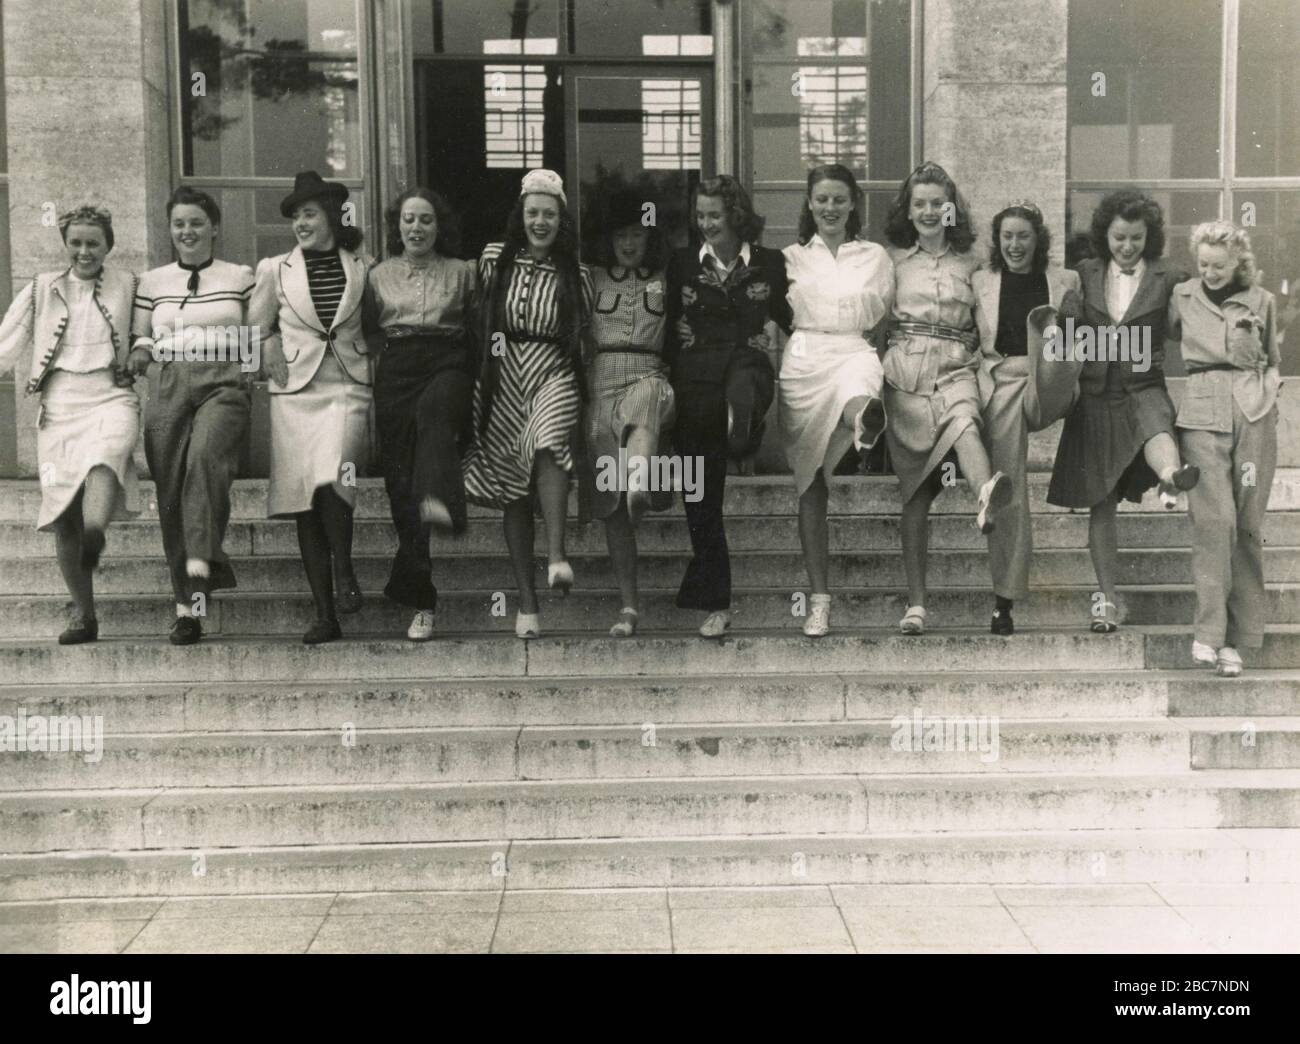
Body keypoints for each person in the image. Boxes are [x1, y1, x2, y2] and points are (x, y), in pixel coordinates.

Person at [1047, 190, 1199, 633]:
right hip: (1095, 393)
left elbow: (1184, 323)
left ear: (1148, 237)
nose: (1127, 246)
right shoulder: (1085, 273)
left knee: (1156, 425)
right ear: (1105, 235)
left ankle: (1172, 477)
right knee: (1101, 503)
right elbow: (1066, 335)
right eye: (1119, 238)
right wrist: (1066, 320)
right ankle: (1106, 601)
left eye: (1136, 238)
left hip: (1142, 382)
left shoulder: (1169, 275)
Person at [881, 162, 1011, 636]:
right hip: (905, 374)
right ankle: (916, 604)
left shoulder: (973, 264)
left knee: (965, 424)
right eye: (921, 203)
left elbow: (992, 323)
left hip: (957, 364)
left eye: (939, 203)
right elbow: (876, 321)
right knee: (915, 494)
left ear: (952, 209)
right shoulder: (892, 262)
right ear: (908, 210)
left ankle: (984, 496)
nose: (930, 211)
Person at [463, 169, 593, 639]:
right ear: (521, 215)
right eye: (533, 212)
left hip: (551, 368)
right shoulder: (495, 259)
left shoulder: (575, 272)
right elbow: (478, 317)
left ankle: (557, 556)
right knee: (513, 489)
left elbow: (582, 336)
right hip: (502, 370)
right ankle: (526, 601)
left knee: (548, 440)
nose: (541, 221)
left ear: (562, 219)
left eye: (550, 214)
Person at [0, 205, 140, 644]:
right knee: (63, 517)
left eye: (93, 243)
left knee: (105, 458)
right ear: (65, 244)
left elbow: (147, 331)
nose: (84, 251)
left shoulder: (129, 284)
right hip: (60, 403)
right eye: (76, 243)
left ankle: (96, 532)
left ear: (108, 245)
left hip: (111, 395)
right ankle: (84, 615)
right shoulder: (42, 288)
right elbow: (9, 340)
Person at [665, 175, 793, 638]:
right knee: (702, 497)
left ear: (736, 216)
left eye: (714, 216)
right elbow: (663, 328)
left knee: (744, 378)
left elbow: (797, 321)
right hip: (696, 384)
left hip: (747, 368)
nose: (705, 224)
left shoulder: (770, 264)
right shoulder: (680, 264)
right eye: (699, 216)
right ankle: (715, 603)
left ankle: (743, 428)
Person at [248, 171, 373, 645]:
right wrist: (267, 347)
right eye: (296, 216)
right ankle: (326, 614)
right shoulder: (274, 270)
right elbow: (254, 329)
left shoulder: (361, 265)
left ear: (331, 216)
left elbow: (377, 323)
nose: (301, 223)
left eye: (310, 213)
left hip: (348, 385)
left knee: (335, 473)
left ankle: (344, 569)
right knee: (305, 500)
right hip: (295, 391)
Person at [128, 187, 253, 645]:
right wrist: (140, 353)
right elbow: (141, 338)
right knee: (170, 495)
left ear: (215, 228)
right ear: (170, 229)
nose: (188, 231)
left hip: (223, 381)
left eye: (197, 222)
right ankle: (189, 608)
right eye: (179, 223)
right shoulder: (152, 281)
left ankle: (202, 551)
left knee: (205, 458)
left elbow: (259, 329)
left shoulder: (239, 276)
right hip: (169, 383)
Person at [779, 163, 893, 637]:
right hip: (804, 360)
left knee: (861, 389)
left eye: (839, 200)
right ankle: (819, 601)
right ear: (810, 203)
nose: (830, 208)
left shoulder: (875, 256)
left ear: (853, 204)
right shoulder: (789, 257)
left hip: (853, 348)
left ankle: (863, 424)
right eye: (822, 199)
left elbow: (882, 314)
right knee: (810, 487)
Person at [1168, 220, 1280, 677]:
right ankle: (1209, 634)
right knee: (1214, 523)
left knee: (1248, 524)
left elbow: (1272, 358)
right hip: (1200, 413)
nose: (1210, 272)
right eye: (1204, 264)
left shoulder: (1263, 301)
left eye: (1219, 265)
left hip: (1252, 413)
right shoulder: (1182, 297)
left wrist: (1266, 396)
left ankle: (1240, 639)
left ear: (1238, 263)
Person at [366, 187, 476, 641]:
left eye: (426, 220)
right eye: (409, 220)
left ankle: (442, 499)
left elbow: (479, 324)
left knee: (436, 413)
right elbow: (368, 334)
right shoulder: (377, 275)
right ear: (398, 225)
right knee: (400, 488)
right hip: (396, 369)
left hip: (447, 360)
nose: (416, 228)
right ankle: (420, 598)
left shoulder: (464, 272)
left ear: (439, 226)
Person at [972, 201, 1083, 635]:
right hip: (1003, 380)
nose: (1015, 245)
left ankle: (1049, 336)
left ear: (1038, 240)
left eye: (1024, 236)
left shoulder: (1065, 280)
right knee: (1007, 487)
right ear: (998, 242)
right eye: (1008, 237)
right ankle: (1004, 602)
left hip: (1051, 379)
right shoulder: (981, 280)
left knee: (1060, 338)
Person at [584, 190, 676, 637]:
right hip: (601, 379)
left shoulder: (666, 277)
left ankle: (640, 481)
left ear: (649, 237)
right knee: (613, 506)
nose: (627, 242)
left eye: (636, 233)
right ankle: (629, 607)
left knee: (647, 401)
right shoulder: (593, 278)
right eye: (620, 234)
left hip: (649, 371)